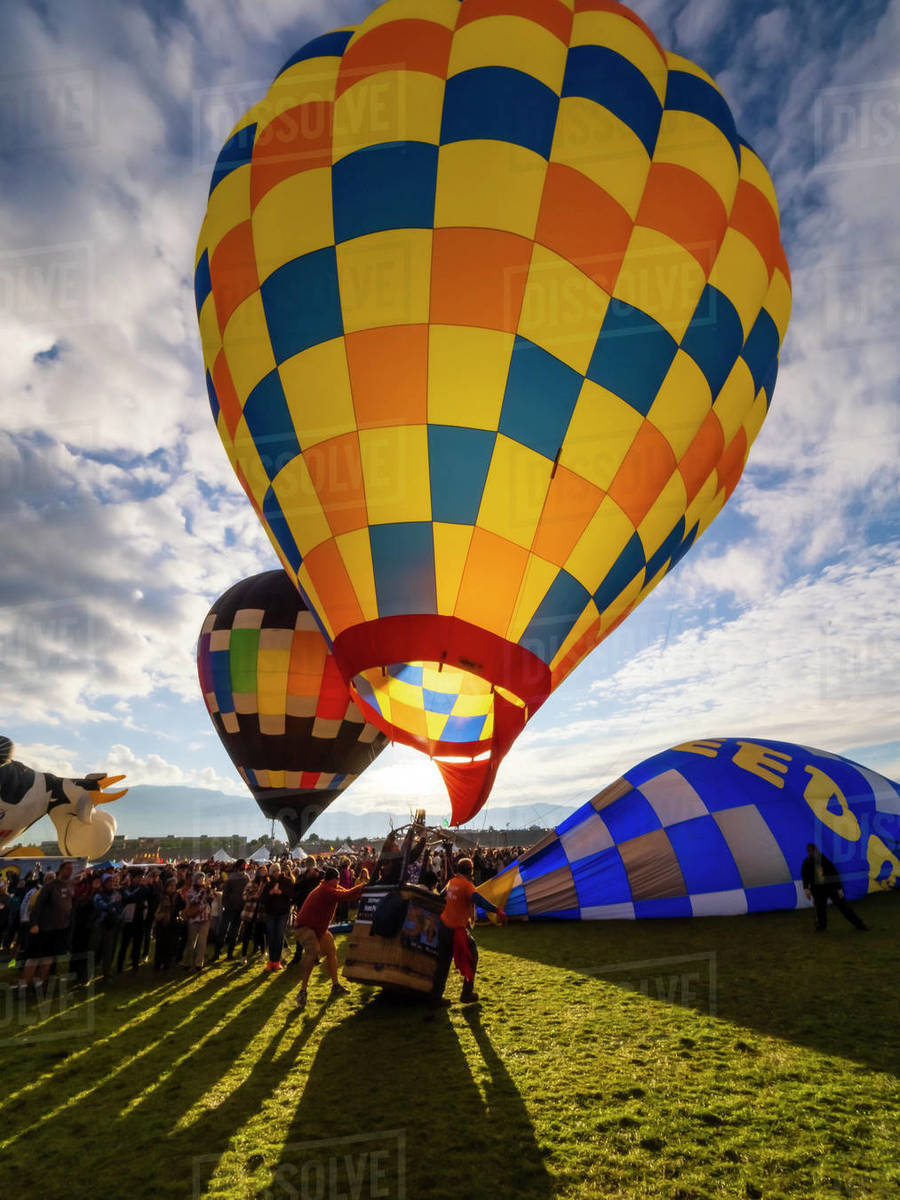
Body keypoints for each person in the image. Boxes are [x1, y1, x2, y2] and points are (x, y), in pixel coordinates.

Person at [430, 858, 505, 1009]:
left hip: (443, 926)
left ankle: (435, 998)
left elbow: (441, 896)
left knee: (443, 964)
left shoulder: (452, 882)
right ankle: (466, 993)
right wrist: (497, 910)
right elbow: (479, 901)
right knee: (472, 956)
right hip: (455, 929)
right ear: (470, 871)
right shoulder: (467, 886)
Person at [294, 867, 367, 1009]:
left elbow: (347, 893)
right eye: (338, 879)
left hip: (318, 929)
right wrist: (363, 886)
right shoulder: (326, 890)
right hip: (305, 927)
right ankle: (302, 991)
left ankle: (335, 986)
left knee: (331, 952)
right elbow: (345, 896)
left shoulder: (328, 886)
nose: (339, 881)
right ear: (333, 879)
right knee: (313, 951)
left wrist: (362, 888)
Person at [22, 861, 75, 992]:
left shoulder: (70, 886)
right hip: (43, 928)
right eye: (67, 868)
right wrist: (34, 924)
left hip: (59, 929)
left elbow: (70, 904)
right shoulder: (50, 886)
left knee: (48, 958)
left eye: (71, 869)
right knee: (34, 959)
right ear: (61, 869)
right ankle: (23, 986)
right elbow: (37, 906)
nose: (70, 871)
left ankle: (39, 985)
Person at [801, 844, 868, 932]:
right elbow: (805, 876)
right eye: (809, 851)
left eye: (812, 850)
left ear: (815, 850)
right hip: (817, 890)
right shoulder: (807, 862)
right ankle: (821, 926)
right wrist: (806, 888)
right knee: (820, 909)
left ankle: (859, 924)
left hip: (829, 887)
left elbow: (833, 873)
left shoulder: (823, 860)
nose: (811, 853)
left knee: (843, 907)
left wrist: (839, 888)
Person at [219, 859, 249, 961]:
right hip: (230, 908)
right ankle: (217, 952)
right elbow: (225, 893)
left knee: (234, 932)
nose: (245, 866)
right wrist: (226, 904)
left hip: (240, 908)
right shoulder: (231, 878)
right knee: (223, 930)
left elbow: (247, 892)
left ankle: (229, 954)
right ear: (240, 866)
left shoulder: (246, 877)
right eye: (244, 865)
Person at [182, 872, 212, 971]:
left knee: (202, 942)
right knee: (191, 941)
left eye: (203, 879)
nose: (202, 881)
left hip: (204, 918)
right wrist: (204, 891)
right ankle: (188, 962)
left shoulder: (205, 890)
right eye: (200, 879)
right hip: (194, 918)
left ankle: (199, 963)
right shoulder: (190, 891)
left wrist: (210, 893)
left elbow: (210, 899)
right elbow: (195, 900)